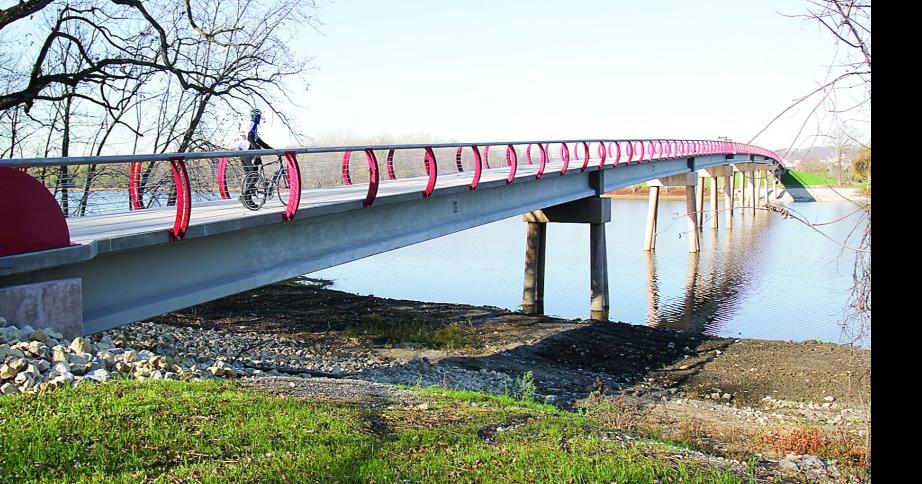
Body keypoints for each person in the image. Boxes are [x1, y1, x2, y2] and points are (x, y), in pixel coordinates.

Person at [240, 108, 274, 207]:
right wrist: (258, 152)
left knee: (250, 177)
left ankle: (248, 201)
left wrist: (273, 150)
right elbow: (251, 138)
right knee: (254, 175)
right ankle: (245, 196)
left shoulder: (248, 125)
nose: (259, 118)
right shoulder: (253, 125)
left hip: (242, 154)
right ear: (256, 117)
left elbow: (259, 141)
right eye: (259, 116)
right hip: (247, 154)